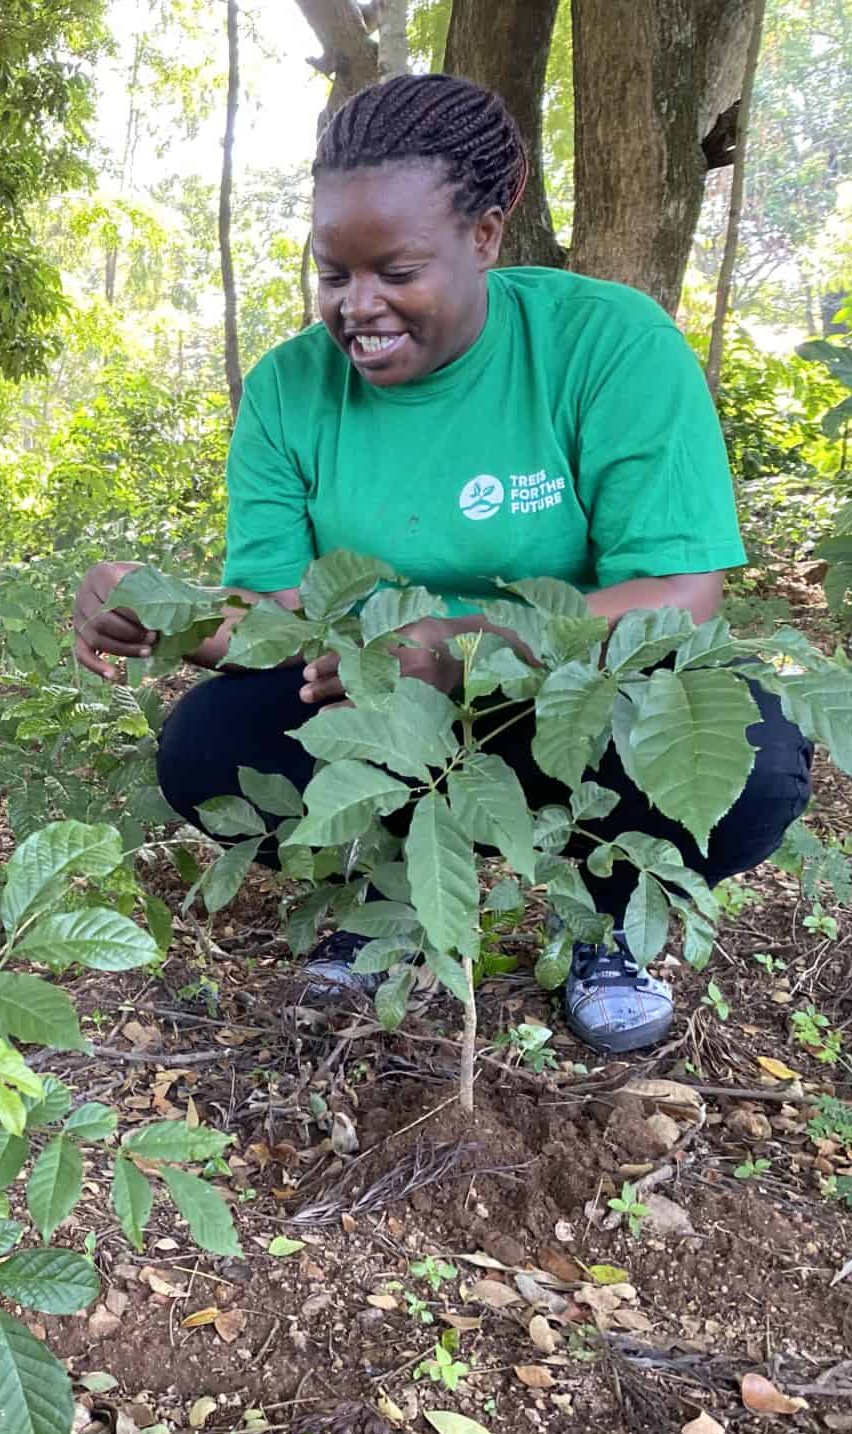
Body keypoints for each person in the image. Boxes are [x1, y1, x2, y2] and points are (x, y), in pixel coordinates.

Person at [69, 74, 811, 1054]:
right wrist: (164, 612)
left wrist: (457, 646)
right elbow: (276, 616)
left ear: (486, 236)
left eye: (397, 271)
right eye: (332, 274)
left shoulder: (609, 344)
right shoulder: (288, 389)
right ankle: (393, 900)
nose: (357, 307)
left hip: (573, 695)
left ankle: (604, 917)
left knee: (749, 759)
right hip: (380, 705)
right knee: (207, 746)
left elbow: (678, 596)